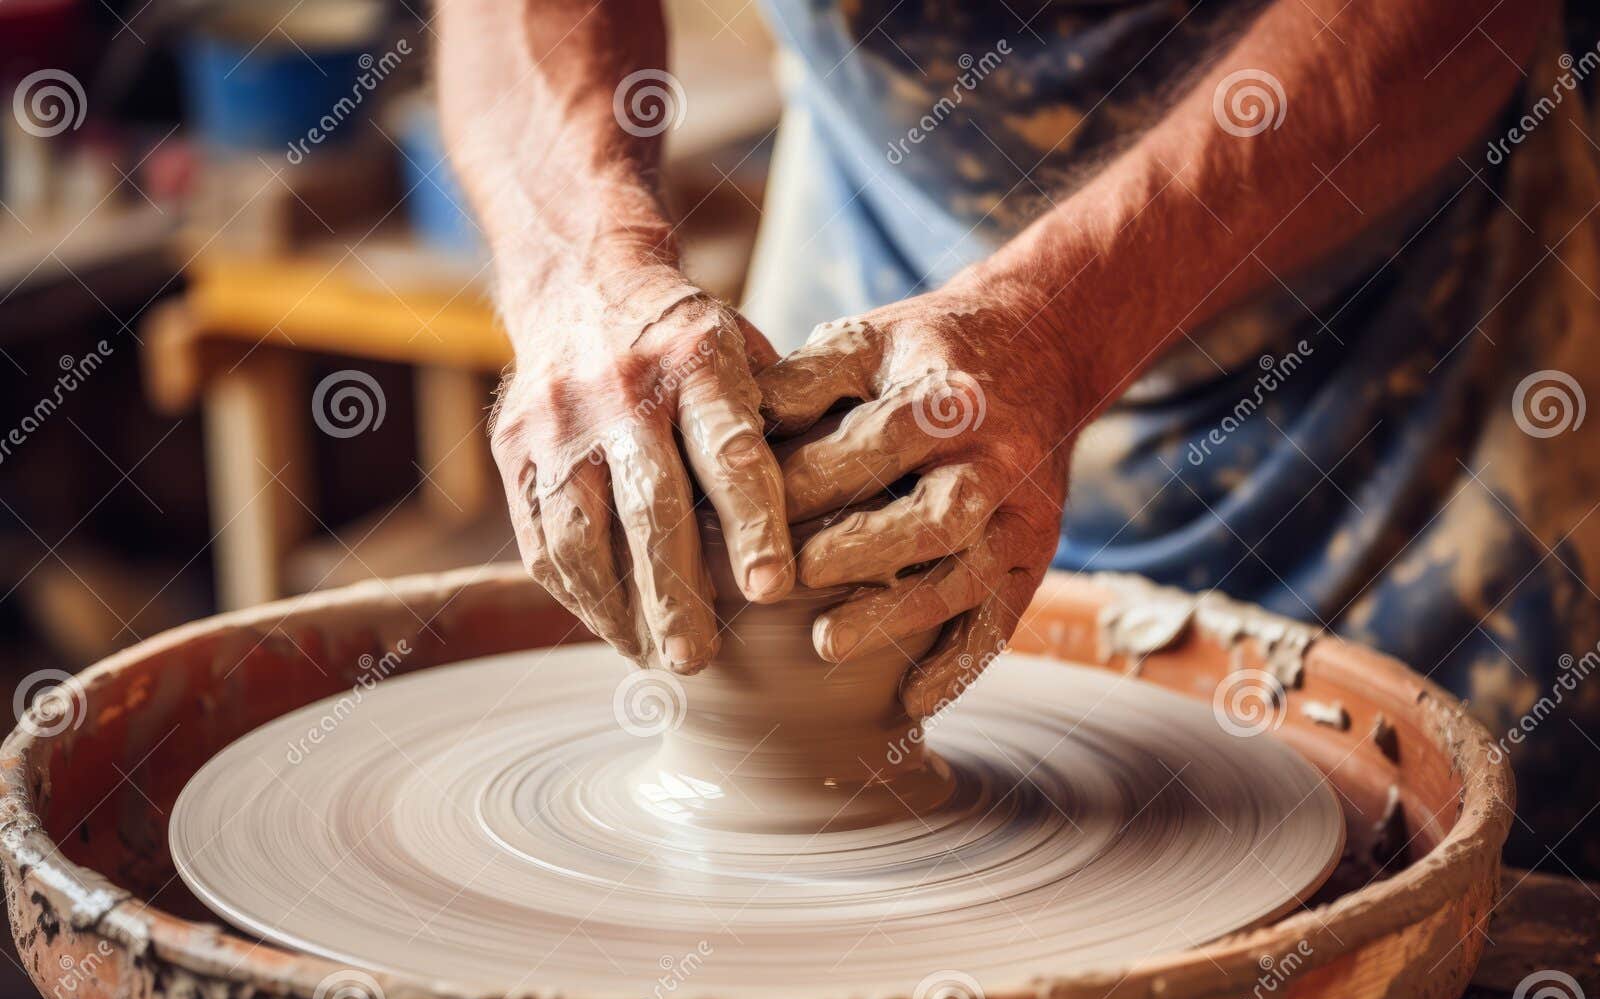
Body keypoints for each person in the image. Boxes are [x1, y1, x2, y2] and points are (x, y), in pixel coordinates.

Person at [439, 1, 1600, 874]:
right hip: (886, 217)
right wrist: (582, 272)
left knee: (1462, 873)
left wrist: (1056, 324)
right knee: (785, 572)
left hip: (1398, 299)